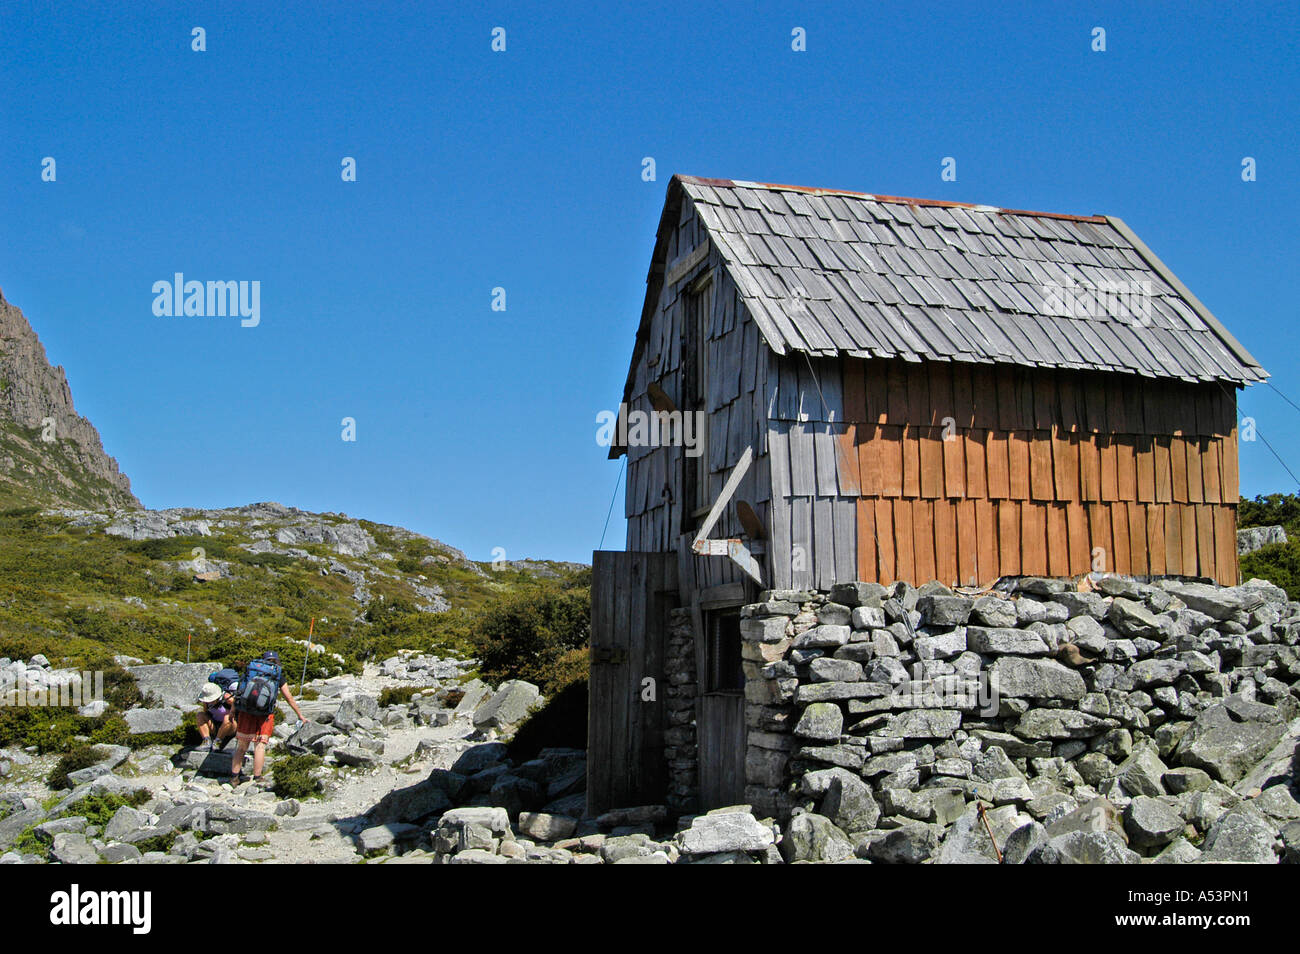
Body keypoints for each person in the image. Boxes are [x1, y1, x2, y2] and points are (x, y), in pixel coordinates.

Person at [230, 651, 305, 788]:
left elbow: (239, 692)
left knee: (241, 746)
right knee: (260, 745)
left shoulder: (251, 671)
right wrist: (300, 715)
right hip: (265, 714)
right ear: (276, 661)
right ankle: (257, 777)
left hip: (246, 712)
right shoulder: (277, 675)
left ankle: (234, 778)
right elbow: (289, 697)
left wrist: (232, 711)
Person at [195, 682, 237, 751]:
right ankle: (206, 741)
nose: (209, 702)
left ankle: (217, 742)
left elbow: (237, 712)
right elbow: (206, 713)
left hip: (230, 727)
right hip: (215, 726)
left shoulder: (228, 699)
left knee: (227, 717)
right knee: (200, 715)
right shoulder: (206, 702)